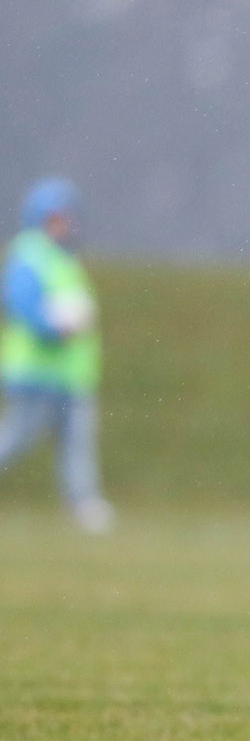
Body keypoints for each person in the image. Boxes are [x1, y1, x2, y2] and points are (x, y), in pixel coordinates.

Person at [0, 178, 113, 534]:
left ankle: (82, 503)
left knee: (77, 443)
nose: (65, 224)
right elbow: (20, 304)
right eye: (57, 217)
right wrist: (55, 325)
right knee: (19, 437)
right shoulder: (31, 252)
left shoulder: (64, 257)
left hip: (70, 373)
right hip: (35, 370)